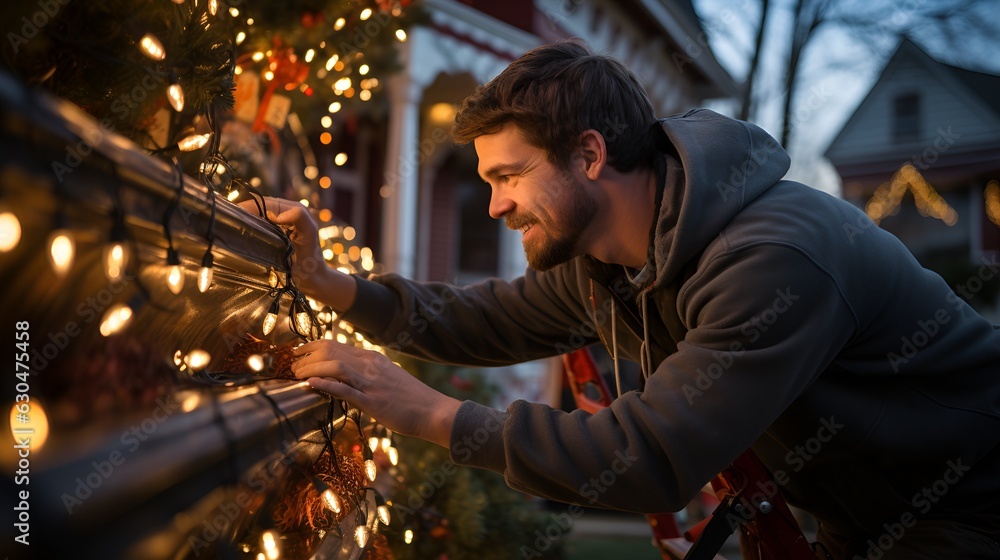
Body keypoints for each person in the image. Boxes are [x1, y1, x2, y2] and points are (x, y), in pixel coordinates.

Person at [255, 40, 1000, 559]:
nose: (494, 207)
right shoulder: (609, 256)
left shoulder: (772, 259)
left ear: (589, 154)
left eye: (508, 176)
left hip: (967, 512)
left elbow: (650, 455)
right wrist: (333, 285)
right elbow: (487, 317)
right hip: (858, 517)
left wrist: (431, 414)